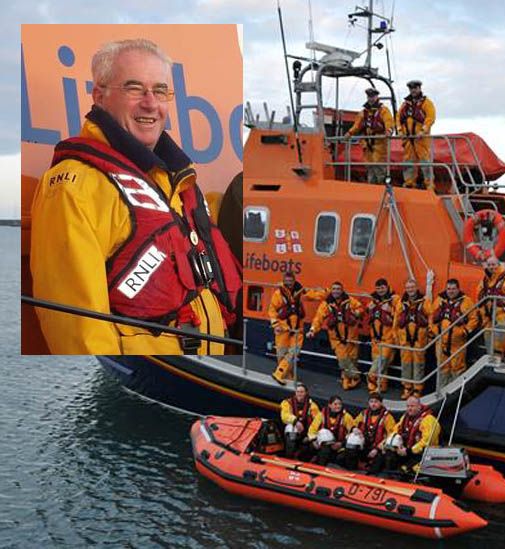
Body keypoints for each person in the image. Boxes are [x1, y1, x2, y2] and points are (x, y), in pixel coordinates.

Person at [30, 38, 241, 354]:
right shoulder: (75, 187)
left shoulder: (178, 181)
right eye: (134, 89)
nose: (150, 103)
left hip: (213, 365)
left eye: (159, 91)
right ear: (99, 96)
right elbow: (76, 328)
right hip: (156, 378)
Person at [308, 282, 364, 390]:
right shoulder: (326, 304)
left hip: (351, 338)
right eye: (334, 289)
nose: (336, 291)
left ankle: (347, 379)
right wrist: (312, 330)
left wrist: (356, 312)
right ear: (331, 290)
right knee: (343, 360)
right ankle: (356, 377)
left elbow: (361, 308)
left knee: (352, 359)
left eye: (338, 289)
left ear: (342, 290)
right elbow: (318, 318)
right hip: (336, 339)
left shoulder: (350, 301)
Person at [431, 279, 478, 385]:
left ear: (458, 289)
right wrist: (434, 330)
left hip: (457, 343)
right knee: (442, 367)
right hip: (440, 340)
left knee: (457, 368)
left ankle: (454, 393)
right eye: (448, 289)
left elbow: (474, 318)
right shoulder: (439, 300)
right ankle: (441, 391)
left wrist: (465, 331)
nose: (450, 291)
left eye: (453, 289)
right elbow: (431, 315)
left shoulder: (466, 301)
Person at [345, 87, 395, 184]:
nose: (371, 98)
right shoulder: (363, 113)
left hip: (379, 145)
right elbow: (357, 125)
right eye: (369, 96)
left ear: (377, 97)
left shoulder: (383, 111)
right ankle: (371, 189)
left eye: (373, 96)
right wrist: (350, 133)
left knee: (380, 169)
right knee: (370, 169)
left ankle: (382, 189)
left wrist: (388, 131)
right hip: (367, 146)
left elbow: (389, 122)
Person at [381, 396, 441, 475]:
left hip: (422, 454)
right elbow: (395, 431)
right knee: (385, 457)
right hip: (406, 451)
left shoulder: (428, 420)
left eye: (412, 406)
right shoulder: (405, 418)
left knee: (405, 470)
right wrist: (386, 444)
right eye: (408, 406)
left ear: (419, 406)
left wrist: (409, 451)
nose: (409, 408)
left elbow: (427, 441)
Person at [394, 278, 433, 399]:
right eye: (408, 288)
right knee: (406, 364)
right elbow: (396, 320)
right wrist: (395, 336)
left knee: (418, 365)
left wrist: (431, 334)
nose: (410, 290)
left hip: (419, 340)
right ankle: (407, 387)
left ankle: (417, 389)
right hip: (404, 340)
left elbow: (430, 316)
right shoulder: (401, 302)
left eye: (412, 287)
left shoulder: (424, 302)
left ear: (416, 288)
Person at [476, 256, 505, 359]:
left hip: (501, 314)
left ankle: (498, 357)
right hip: (487, 315)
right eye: (489, 265)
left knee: (498, 339)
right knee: (487, 337)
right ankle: (490, 356)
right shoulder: (485, 280)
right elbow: (479, 294)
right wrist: (481, 309)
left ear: (498, 265)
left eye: (494, 264)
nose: (492, 267)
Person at [269, 271, 307, 384]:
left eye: (291, 281)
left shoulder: (300, 292)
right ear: (284, 281)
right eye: (287, 281)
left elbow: (312, 295)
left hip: (297, 331)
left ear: (294, 281)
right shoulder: (278, 294)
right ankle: (287, 375)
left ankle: (279, 373)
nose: (289, 283)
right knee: (281, 354)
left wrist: (325, 292)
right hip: (282, 330)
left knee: (293, 353)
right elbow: (272, 310)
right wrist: (275, 325)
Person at [397, 80, 436, 189]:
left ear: (419, 88)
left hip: (421, 139)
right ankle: (409, 183)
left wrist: (423, 131)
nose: (413, 90)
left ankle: (430, 184)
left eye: (415, 88)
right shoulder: (405, 105)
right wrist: (400, 131)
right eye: (411, 88)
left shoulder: (427, 103)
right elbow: (398, 118)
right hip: (408, 139)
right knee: (408, 161)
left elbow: (430, 118)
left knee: (425, 162)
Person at [364, 278, 398, 393]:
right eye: (378, 288)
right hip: (375, 340)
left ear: (387, 287)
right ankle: (381, 386)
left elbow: (401, 315)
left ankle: (371, 379)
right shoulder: (374, 301)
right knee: (382, 365)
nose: (380, 290)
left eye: (382, 288)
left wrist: (390, 311)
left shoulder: (394, 300)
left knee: (380, 363)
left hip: (388, 339)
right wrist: (368, 309)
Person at [351, 392, 398, 473]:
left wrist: (377, 449)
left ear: (381, 403)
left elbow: (391, 435)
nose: (373, 404)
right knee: (351, 442)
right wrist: (354, 429)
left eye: (376, 402)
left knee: (377, 465)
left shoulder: (387, 417)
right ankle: (352, 468)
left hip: (379, 447)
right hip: (365, 444)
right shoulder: (364, 414)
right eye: (371, 402)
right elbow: (354, 424)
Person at [308, 395, 357, 467]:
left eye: (340, 404)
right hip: (323, 445)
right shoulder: (321, 415)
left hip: (339, 446)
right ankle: (319, 467)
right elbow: (312, 430)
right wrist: (314, 441)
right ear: (330, 405)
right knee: (321, 439)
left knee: (343, 457)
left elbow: (352, 433)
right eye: (335, 404)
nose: (338, 406)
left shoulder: (346, 416)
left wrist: (341, 444)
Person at [280, 383, 320, 459]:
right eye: (298, 392)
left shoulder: (313, 406)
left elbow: (317, 422)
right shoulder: (287, 403)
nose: (299, 394)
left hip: (307, 434)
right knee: (291, 428)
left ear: (306, 393)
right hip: (294, 432)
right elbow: (284, 416)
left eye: (302, 392)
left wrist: (310, 436)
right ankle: (289, 457)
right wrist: (296, 421)